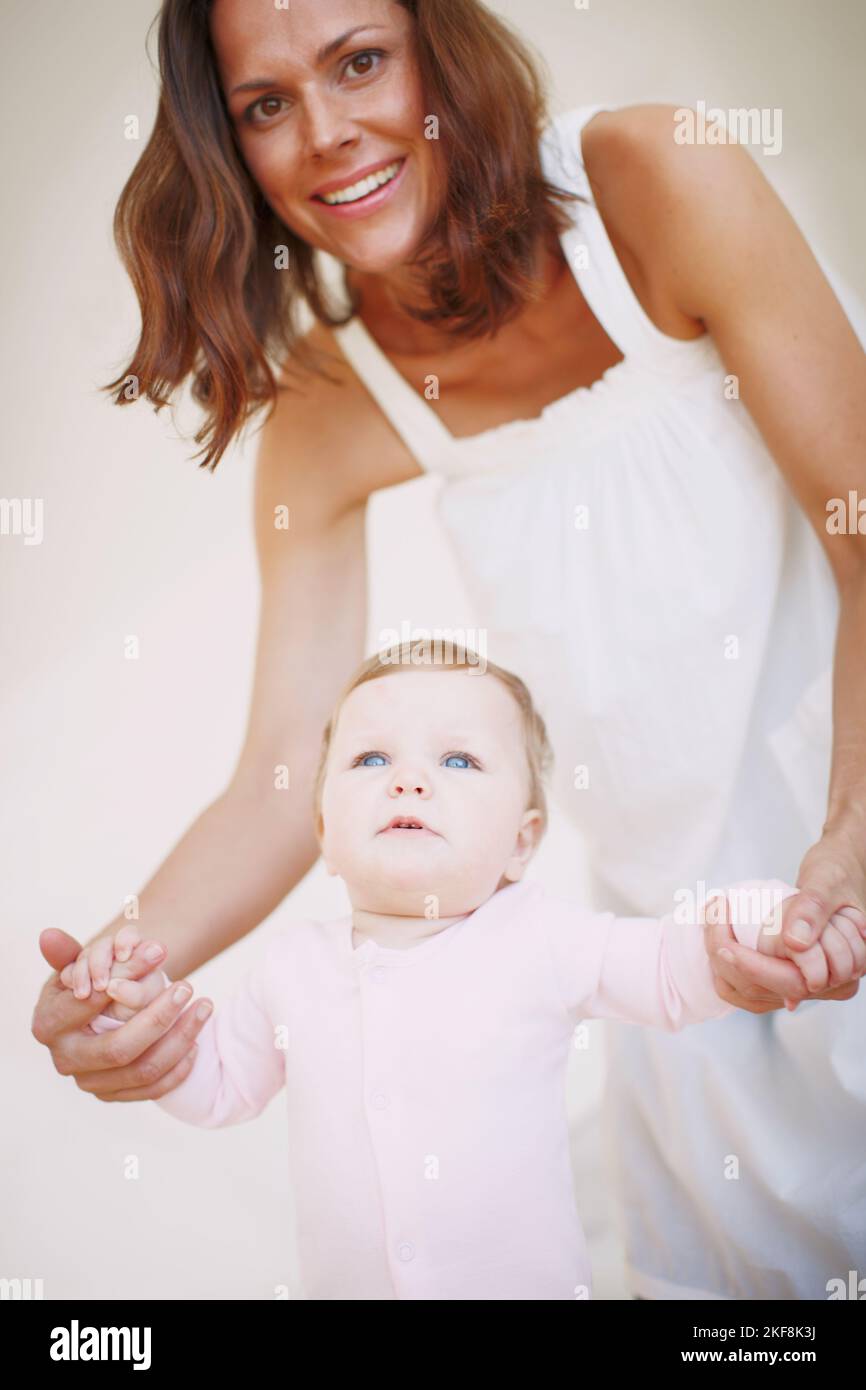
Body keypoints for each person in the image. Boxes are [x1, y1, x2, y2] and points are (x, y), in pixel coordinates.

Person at [32, 0, 866, 1298]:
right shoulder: (325, 408)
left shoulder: (659, 175)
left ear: (440, 51)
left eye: (358, 63)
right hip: (671, 967)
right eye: (264, 105)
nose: (323, 136)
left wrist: (845, 847)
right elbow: (283, 775)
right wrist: (115, 972)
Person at [61, 645, 866, 1300]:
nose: (409, 780)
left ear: (523, 840)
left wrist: (769, 918)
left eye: (459, 761)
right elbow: (219, 1087)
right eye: (372, 757)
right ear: (321, 826)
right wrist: (130, 1015)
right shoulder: (290, 966)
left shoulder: (538, 938)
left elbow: (669, 962)